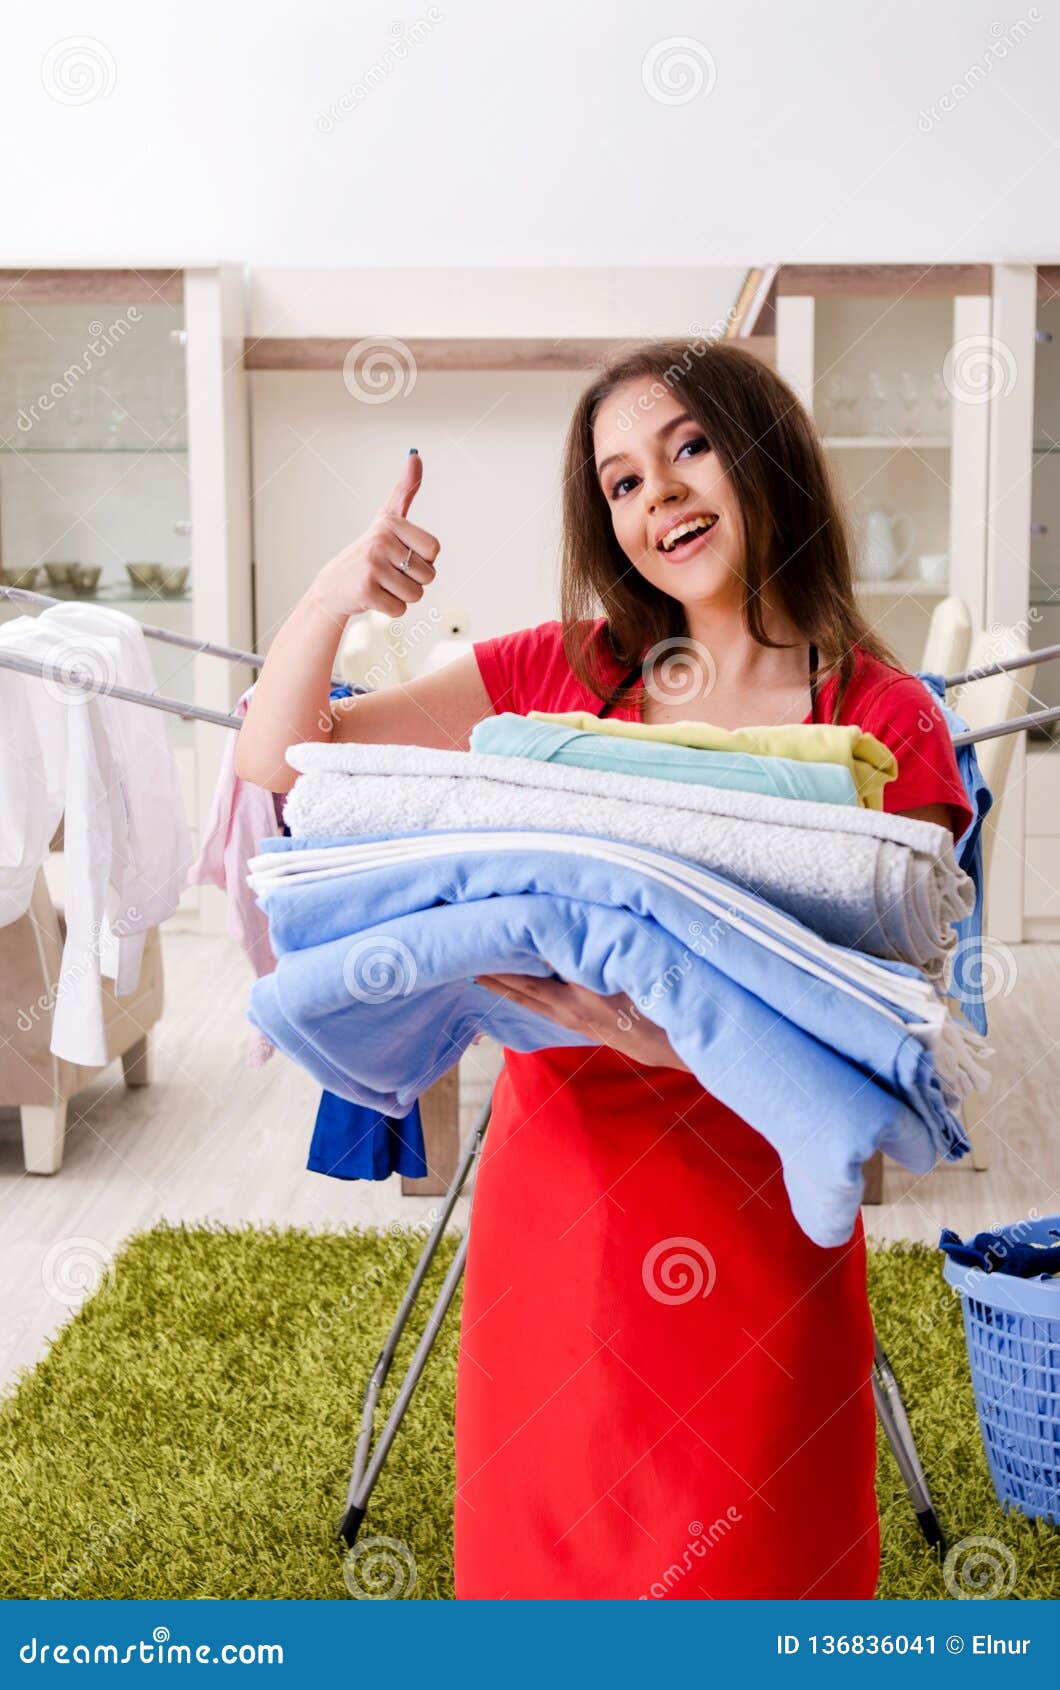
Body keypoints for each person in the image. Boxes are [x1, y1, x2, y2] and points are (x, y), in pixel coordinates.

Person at [235, 338, 973, 1599]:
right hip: (563, 1197)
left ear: (762, 456)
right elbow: (287, 761)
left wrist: (674, 1037)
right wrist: (329, 596)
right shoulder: (570, 672)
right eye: (621, 482)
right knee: (551, 1567)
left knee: (753, 1566)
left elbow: (894, 1048)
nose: (659, 498)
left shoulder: (882, 719)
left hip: (756, 1200)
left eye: (687, 448)